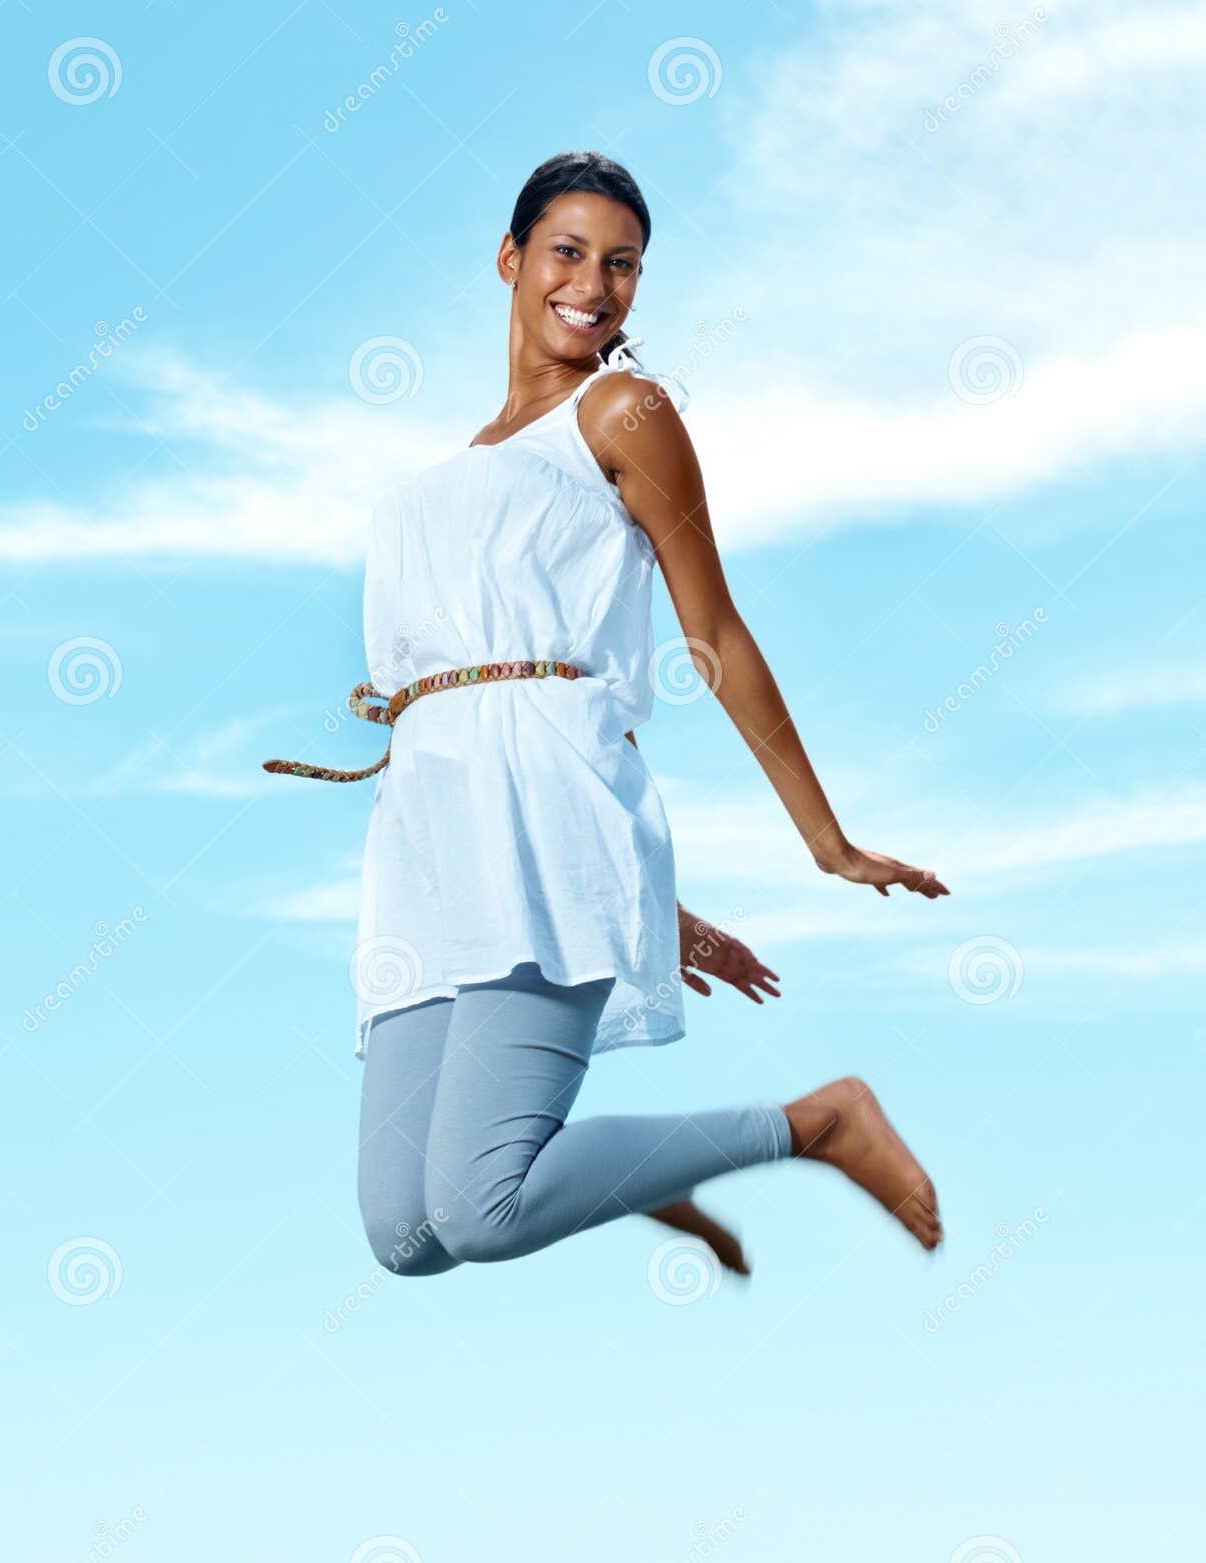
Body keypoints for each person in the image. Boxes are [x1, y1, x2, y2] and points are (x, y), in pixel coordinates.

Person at [267, 150, 948, 1279]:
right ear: (510, 259)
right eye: (568, 252)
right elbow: (477, 725)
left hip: (553, 824)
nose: (594, 282)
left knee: (482, 1206)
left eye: (622, 263)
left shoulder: (624, 413)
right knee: (405, 1231)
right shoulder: (443, 475)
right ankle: (628, 1173)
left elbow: (713, 637)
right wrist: (647, 902)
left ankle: (815, 1121)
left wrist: (826, 844)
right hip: (430, 846)